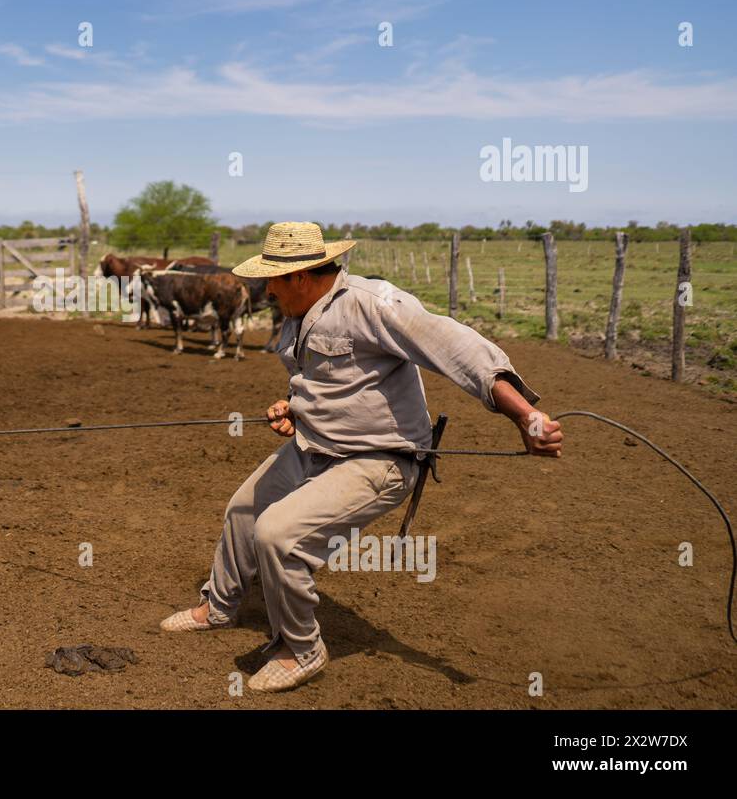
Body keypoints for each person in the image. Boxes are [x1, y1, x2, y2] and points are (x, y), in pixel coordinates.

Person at [159, 222, 563, 693]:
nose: (266, 289)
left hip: (378, 461)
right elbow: (328, 380)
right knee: (244, 510)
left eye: (273, 278)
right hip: (314, 445)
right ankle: (219, 606)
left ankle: (301, 650)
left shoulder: (374, 304)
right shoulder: (298, 312)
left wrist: (526, 416)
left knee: (278, 536)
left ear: (302, 276)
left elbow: (459, 347)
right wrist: (292, 407)